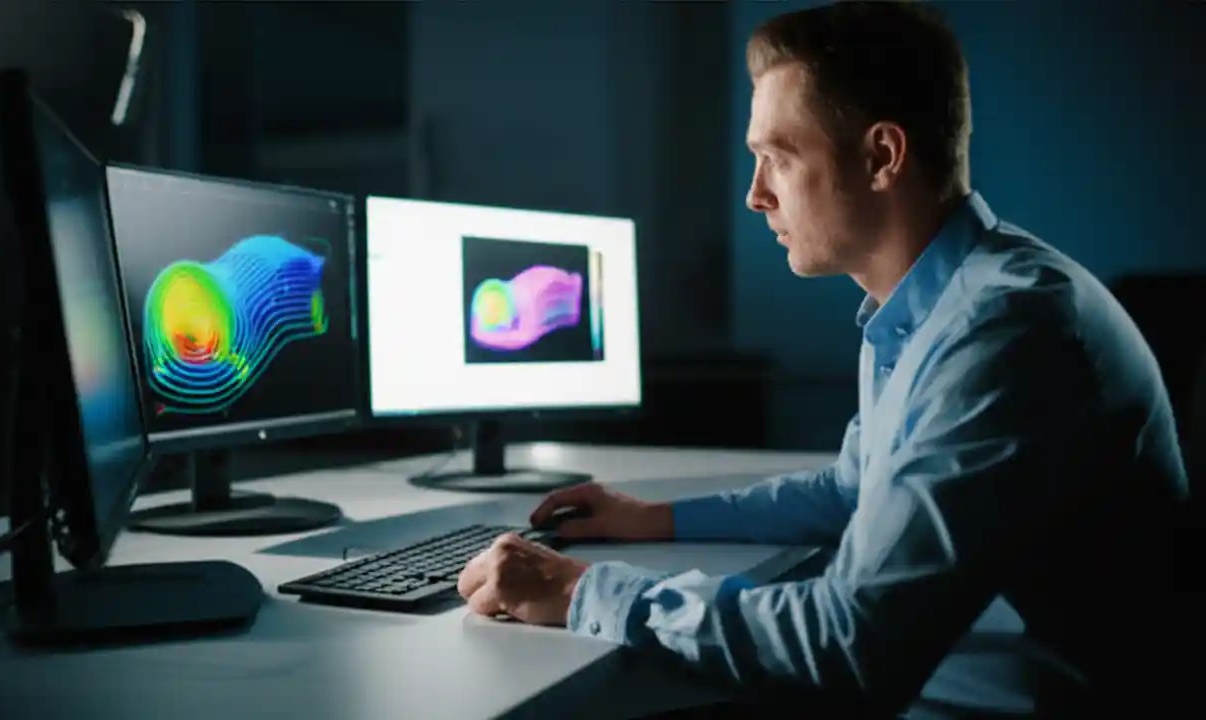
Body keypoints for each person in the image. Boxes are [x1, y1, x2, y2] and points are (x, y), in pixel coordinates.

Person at [457, 1, 1190, 715]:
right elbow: (853, 492)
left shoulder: (1006, 330)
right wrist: (654, 519)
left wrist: (582, 591)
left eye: (777, 158)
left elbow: (848, 645)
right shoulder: (927, 309)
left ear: (881, 157)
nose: (755, 196)